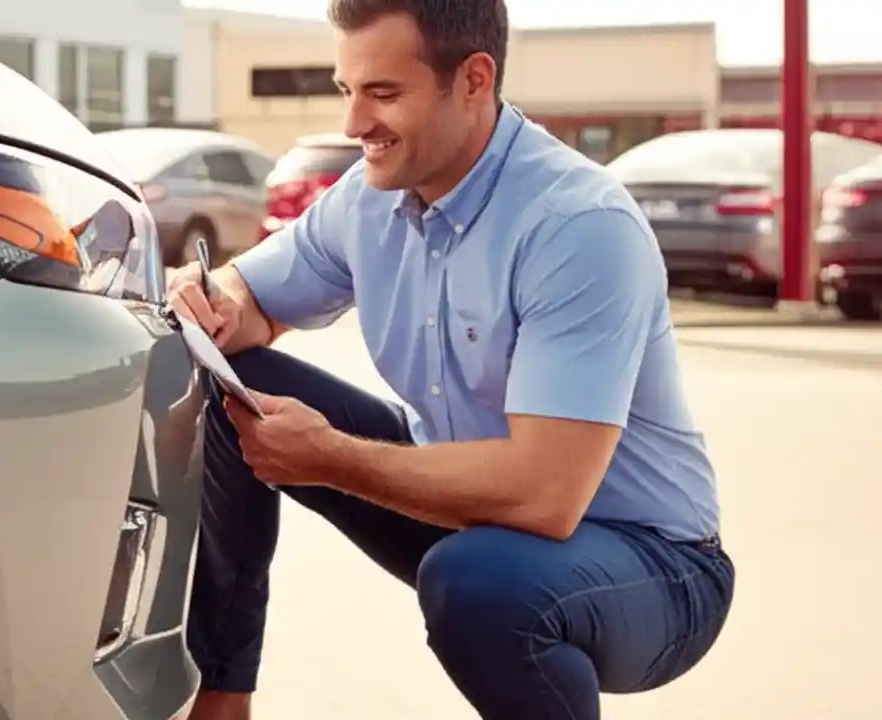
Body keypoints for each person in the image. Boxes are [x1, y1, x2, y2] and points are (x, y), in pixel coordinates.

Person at [166, 0, 736, 718]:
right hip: (478, 513)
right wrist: (212, 300)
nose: (354, 125)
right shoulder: (369, 198)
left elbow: (542, 495)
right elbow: (253, 297)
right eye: (348, 90)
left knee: (480, 585)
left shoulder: (578, 225)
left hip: (651, 564)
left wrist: (330, 456)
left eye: (384, 94)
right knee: (235, 385)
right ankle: (222, 700)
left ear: (472, 81)